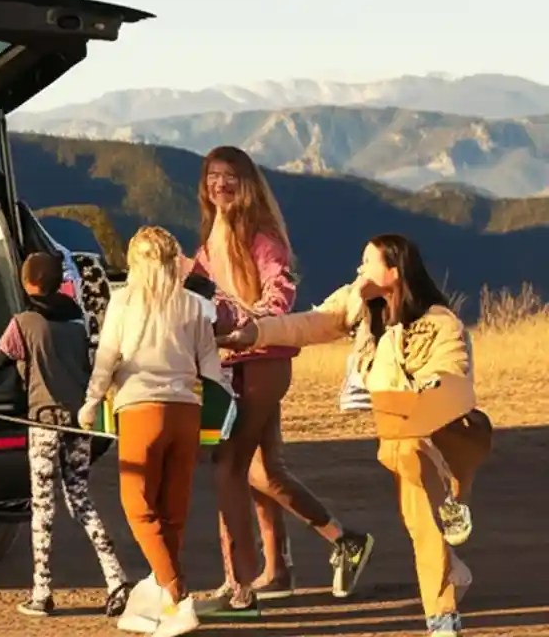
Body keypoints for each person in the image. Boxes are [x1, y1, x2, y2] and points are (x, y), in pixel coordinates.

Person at [218, 233, 493, 637]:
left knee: (415, 478)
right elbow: (312, 323)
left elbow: (452, 381)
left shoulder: (440, 323)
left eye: (368, 262)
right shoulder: (364, 309)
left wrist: (417, 392)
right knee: (419, 514)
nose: (359, 270)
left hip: (448, 434)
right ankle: (446, 598)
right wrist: (255, 333)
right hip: (402, 436)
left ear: (395, 271)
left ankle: (452, 526)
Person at [189, 146, 374, 612]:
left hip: (261, 360)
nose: (220, 184)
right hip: (235, 362)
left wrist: (252, 325)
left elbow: (280, 290)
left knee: (229, 465)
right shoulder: (214, 234)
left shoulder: (261, 236)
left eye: (230, 176)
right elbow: (200, 289)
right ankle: (290, 565)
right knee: (262, 472)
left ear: (247, 183)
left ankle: (239, 586)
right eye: (213, 176)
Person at [0, 251, 131, 618]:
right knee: (82, 501)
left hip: (44, 423)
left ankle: (42, 592)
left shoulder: (24, 323)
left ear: (28, 284)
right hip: (77, 424)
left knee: (42, 507)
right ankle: (116, 580)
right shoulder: (77, 321)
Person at [79, 225, 233, 636]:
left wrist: (91, 402)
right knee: (172, 509)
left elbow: (108, 356)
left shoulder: (124, 301)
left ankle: (179, 597)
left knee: (138, 506)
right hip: (186, 411)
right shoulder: (193, 305)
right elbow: (211, 366)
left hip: (140, 408)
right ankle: (160, 595)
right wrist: (230, 399)